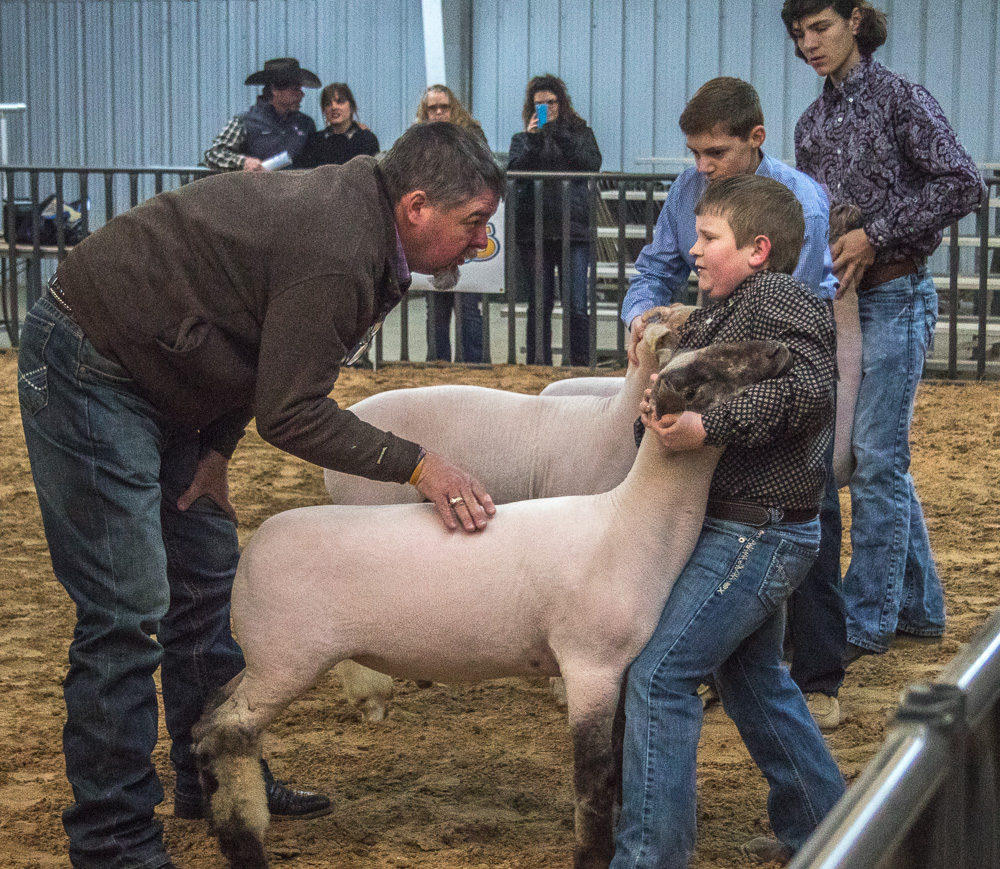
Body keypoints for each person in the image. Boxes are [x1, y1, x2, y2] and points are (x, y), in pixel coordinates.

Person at [17, 122, 504, 869]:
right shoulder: (340, 252)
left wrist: (213, 453)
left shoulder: (363, 231)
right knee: (127, 607)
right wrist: (420, 466)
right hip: (96, 358)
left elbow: (260, 341)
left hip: (169, 369)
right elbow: (293, 410)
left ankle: (216, 776)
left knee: (208, 573)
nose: (481, 242)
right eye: (473, 223)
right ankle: (112, 837)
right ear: (415, 206)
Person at [613, 175, 845, 869]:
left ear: (758, 250)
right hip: (757, 524)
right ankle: (831, 831)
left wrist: (710, 423)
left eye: (710, 237)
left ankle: (650, 859)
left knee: (659, 675)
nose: (693, 247)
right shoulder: (727, 308)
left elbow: (810, 388)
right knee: (753, 679)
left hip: (757, 531)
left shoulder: (775, 296)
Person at [622, 76, 846, 731]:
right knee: (722, 505)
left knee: (810, 502)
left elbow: (780, 316)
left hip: (758, 364)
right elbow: (657, 266)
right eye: (694, 152)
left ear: (756, 139)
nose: (700, 166)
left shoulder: (796, 201)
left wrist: (695, 335)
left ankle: (821, 671)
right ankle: (730, 655)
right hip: (721, 356)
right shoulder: (689, 192)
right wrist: (643, 320)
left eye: (714, 152)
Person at [781, 0, 986, 663]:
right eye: (800, 34)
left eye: (821, 28)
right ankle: (921, 608)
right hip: (843, 302)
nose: (810, 43)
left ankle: (865, 618)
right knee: (877, 456)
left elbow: (963, 183)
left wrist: (877, 231)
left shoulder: (902, 99)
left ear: (856, 21)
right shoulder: (811, 123)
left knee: (875, 457)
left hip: (897, 290)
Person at [508, 74, 602, 366]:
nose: (546, 108)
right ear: (531, 107)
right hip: (534, 229)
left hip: (574, 228)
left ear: (562, 103)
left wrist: (558, 133)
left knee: (576, 302)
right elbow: (514, 172)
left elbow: (591, 163)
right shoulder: (522, 139)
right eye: (540, 104)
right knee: (539, 303)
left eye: (551, 102)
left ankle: (579, 365)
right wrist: (532, 140)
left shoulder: (580, 132)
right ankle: (537, 365)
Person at [414, 84, 489, 363]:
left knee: (467, 301)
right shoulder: (417, 138)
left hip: (463, 221)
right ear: (425, 112)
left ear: (453, 107)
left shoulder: (471, 133)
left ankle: (474, 365)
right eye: (433, 108)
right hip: (434, 225)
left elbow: (484, 168)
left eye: (444, 106)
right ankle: (437, 366)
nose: (439, 112)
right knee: (436, 303)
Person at [203, 57, 319, 171]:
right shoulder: (245, 121)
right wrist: (244, 162)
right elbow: (213, 155)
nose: (301, 94)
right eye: (295, 89)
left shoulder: (306, 124)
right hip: (256, 189)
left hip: (294, 189)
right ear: (275, 90)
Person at [295, 81, 380, 168]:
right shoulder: (314, 141)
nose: (334, 107)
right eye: (328, 104)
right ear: (323, 110)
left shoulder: (366, 140)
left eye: (340, 102)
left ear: (351, 107)